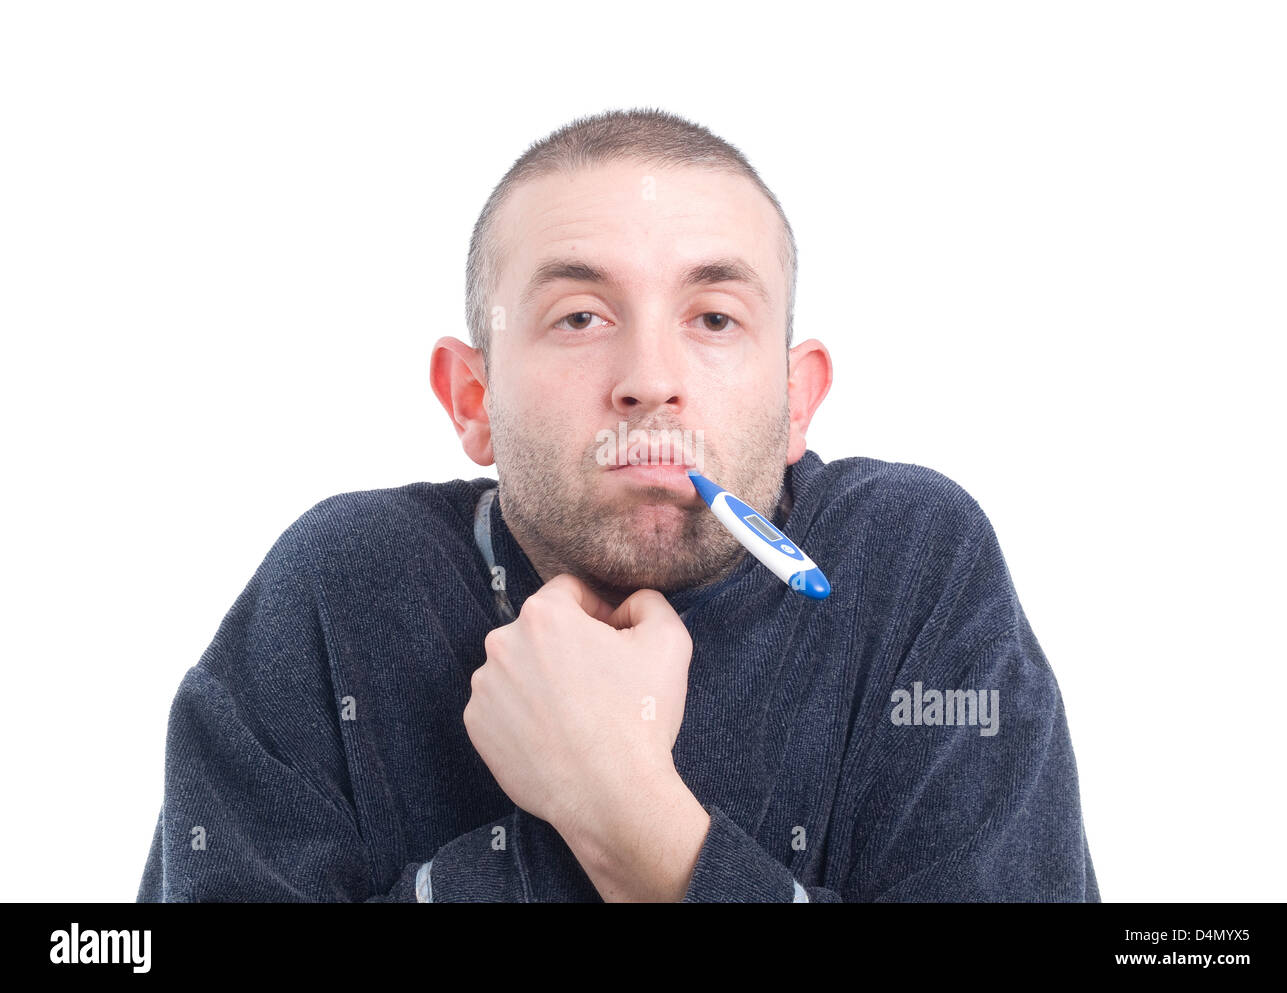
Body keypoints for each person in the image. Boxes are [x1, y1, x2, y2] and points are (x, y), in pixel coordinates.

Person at [137, 107, 1100, 902]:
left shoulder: (910, 564)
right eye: (580, 318)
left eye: (714, 318)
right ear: (472, 400)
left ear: (797, 399)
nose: (649, 380)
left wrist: (626, 809)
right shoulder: (341, 587)